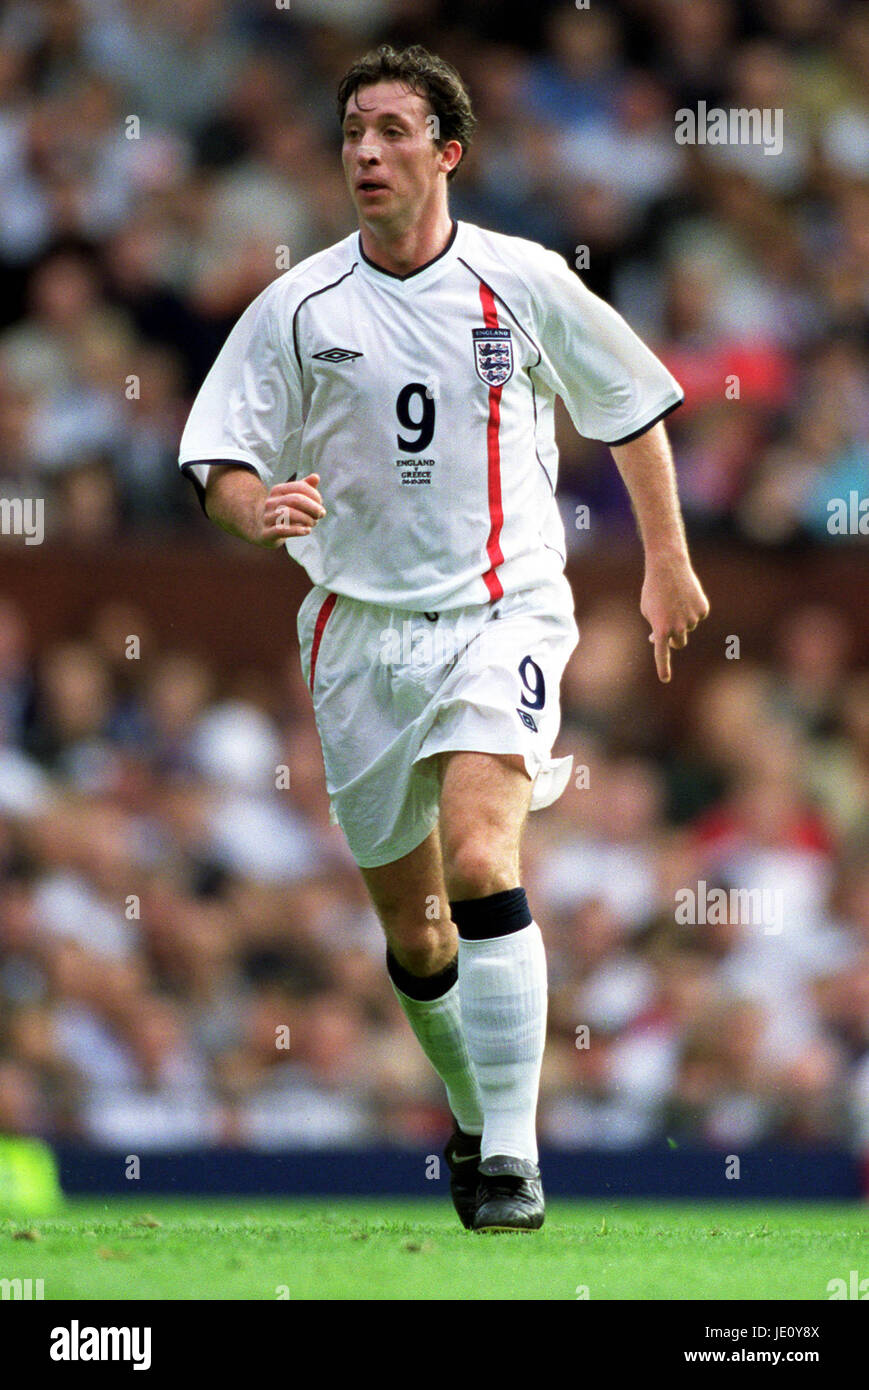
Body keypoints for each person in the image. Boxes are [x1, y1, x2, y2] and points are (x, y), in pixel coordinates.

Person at [178, 44, 709, 1232]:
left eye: (390, 131)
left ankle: (514, 1159)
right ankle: (470, 1105)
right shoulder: (299, 305)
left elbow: (630, 407)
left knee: (482, 858)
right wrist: (254, 507)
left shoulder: (520, 280)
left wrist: (667, 562)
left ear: (446, 152)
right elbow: (216, 457)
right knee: (418, 936)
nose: (364, 151)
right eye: (352, 131)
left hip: (502, 609)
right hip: (358, 633)